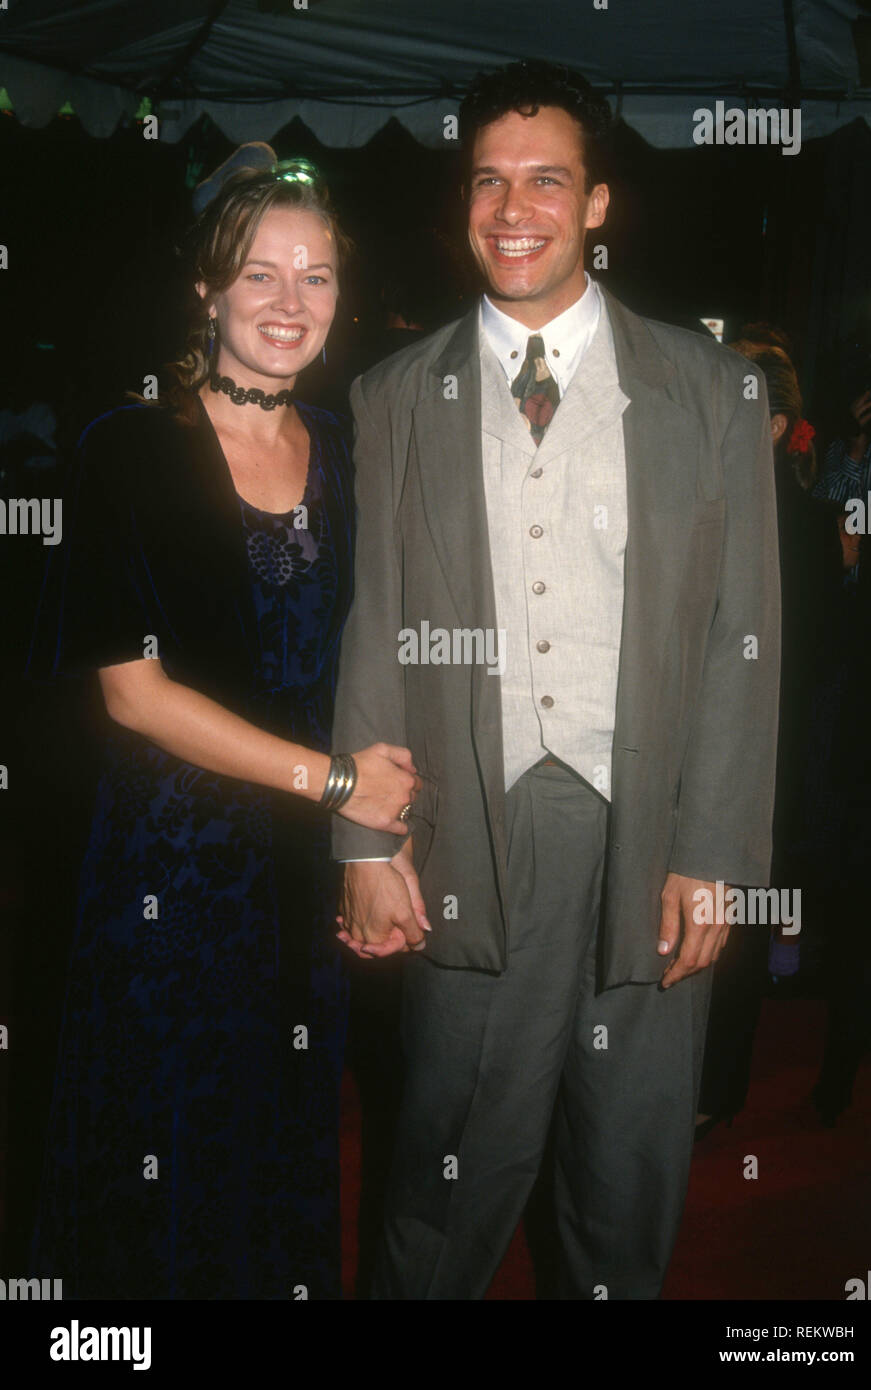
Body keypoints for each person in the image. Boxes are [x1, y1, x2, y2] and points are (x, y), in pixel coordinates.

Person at [330, 60, 780, 1300]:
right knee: (444, 1172)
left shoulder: (709, 387)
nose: (511, 206)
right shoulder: (390, 397)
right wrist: (364, 843)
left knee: (627, 1170)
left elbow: (748, 633)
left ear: (595, 205)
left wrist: (717, 851)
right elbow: (374, 626)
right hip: (467, 828)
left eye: (545, 179)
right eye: (488, 180)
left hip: (649, 827)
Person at [29, 150, 419, 1299]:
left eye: (318, 275)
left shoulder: (351, 453)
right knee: (160, 1145)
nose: (291, 302)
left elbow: (383, 657)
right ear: (207, 290)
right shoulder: (126, 446)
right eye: (260, 274)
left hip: (300, 875)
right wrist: (335, 784)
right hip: (167, 870)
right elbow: (131, 692)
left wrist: (378, 842)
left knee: (280, 1132)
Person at [695, 340, 842, 1137]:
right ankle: (692, 1086)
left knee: (740, 918)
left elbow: (812, 662)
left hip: (767, 757)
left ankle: (711, 1090)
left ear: (777, 424)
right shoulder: (698, 499)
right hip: (703, 749)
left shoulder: (809, 526)